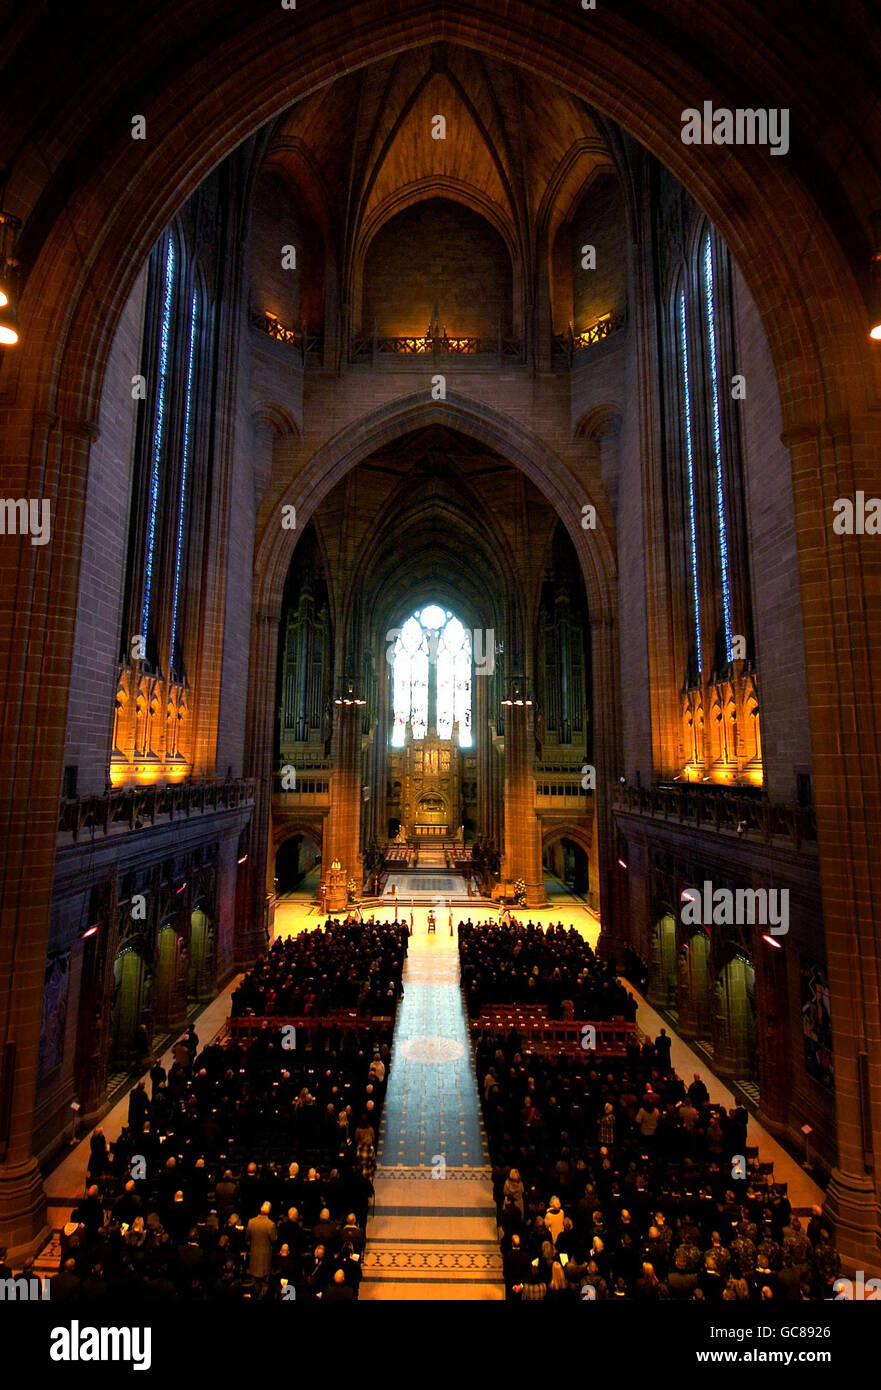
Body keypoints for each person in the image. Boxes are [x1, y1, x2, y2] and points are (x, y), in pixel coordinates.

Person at [246, 1201, 277, 1295]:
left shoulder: (251, 1222)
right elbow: (274, 1239)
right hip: (265, 1259)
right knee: (264, 1283)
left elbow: (247, 1237)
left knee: (254, 1283)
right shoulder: (271, 1224)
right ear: (269, 1211)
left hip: (254, 1257)